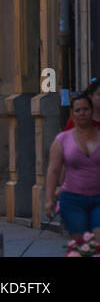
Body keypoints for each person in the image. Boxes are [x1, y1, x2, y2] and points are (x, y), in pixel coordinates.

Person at [44, 94, 100, 240]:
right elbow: (53, 170)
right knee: (80, 241)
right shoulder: (62, 139)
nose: (82, 113)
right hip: (73, 199)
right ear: (72, 113)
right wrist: (49, 199)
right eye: (77, 110)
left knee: (98, 237)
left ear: (92, 111)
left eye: (86, 109)